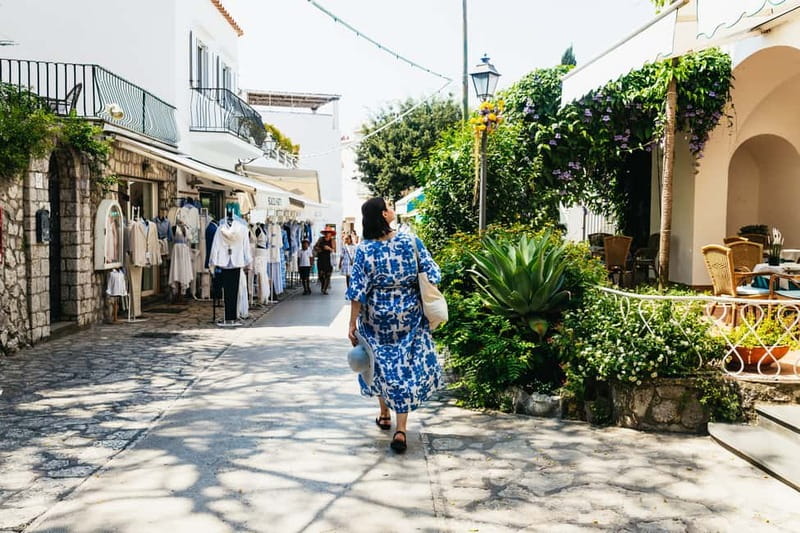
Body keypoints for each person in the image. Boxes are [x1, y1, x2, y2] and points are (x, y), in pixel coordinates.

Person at [346, 197, 443, 454]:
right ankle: (401, 429)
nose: (392, 210)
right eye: (389, 207)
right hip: (409, 317)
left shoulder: (364, 250)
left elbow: (357, 291)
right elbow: (433, 274)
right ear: (383, 215)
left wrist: (351, 324)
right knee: (405, 369)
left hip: (376, 319)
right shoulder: (410, 242)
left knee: (379, 364)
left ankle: (384, 413)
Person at [314, 229, 336, 295]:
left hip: (329, 259)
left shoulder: (332, 240)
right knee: (320, 274)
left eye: (328, 232)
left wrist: (329, 248)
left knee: (328, 275)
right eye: (326, 232)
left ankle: (325, 289)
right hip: (321, 259)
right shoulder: (321, 239)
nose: (327, 234)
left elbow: (334, 250)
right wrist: (319, 249)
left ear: (331, 234)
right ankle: (323, 285)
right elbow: (315, 247)